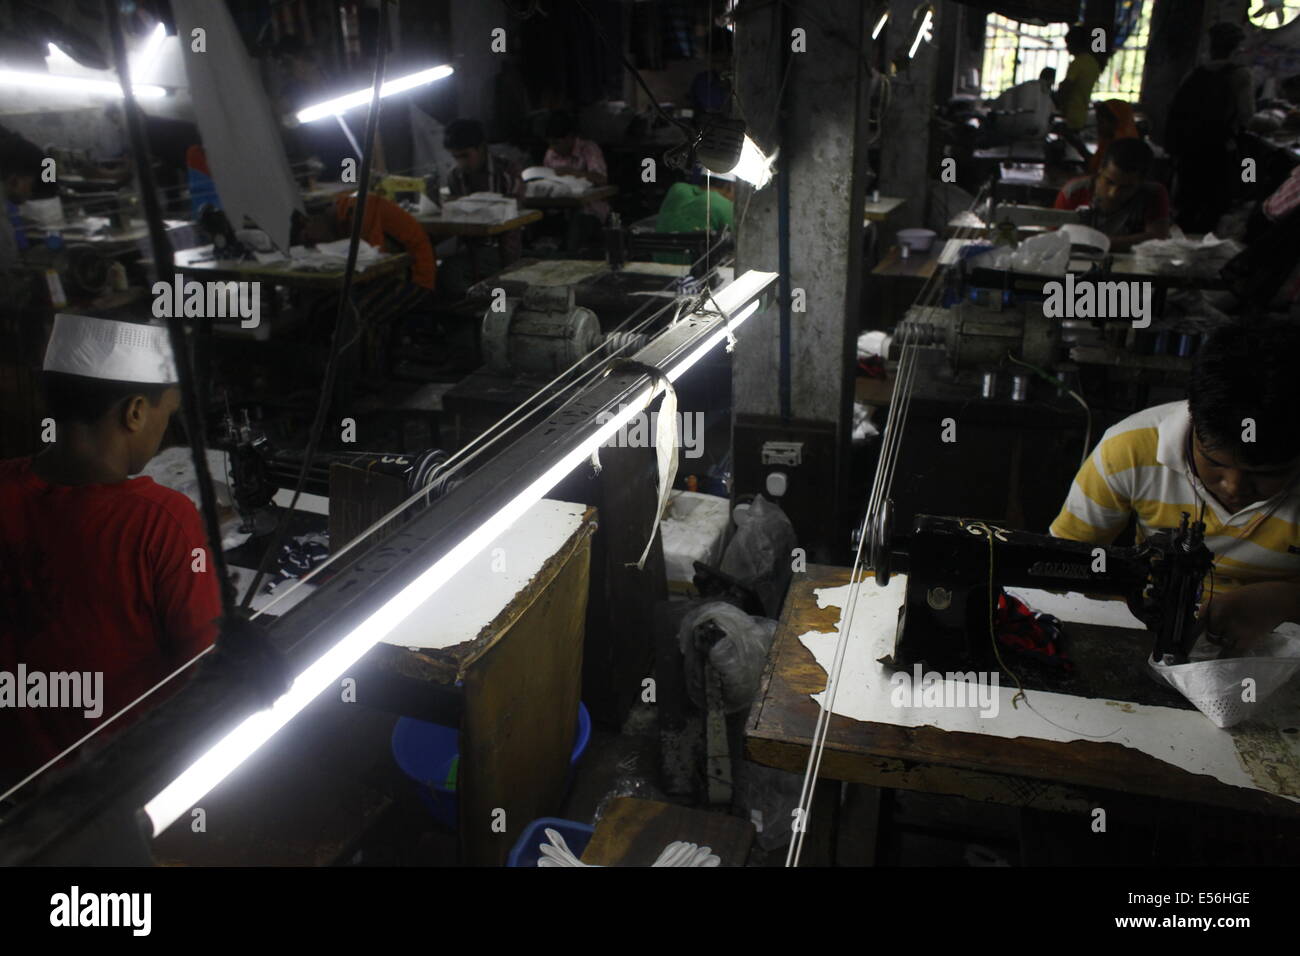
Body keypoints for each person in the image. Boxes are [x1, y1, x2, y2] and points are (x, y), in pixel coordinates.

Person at [0, 315, 222, 786]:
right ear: (136, 411)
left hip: (17, 785)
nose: (165, 430)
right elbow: (204, 672)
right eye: (168, 415)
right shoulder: (161, 519)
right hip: (118, 786)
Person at [1051, 320, 1300, 650]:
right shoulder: (1128, 450)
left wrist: (1284, 600)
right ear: (1193, 417)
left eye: (1265, 474)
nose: (1233, 486)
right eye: (1215, 463)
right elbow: (1065, 560)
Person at [1166, 23, 1255, 234]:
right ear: (1236, 47)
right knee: (1214, 203)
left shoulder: (1195, 73)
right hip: (1219, 150)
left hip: (1189, 149)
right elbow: (1246, 116)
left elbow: (1176, 111)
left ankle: (1182, 241)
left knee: (1187, 201)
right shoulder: (1240, 75)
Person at [1053, 137, 1170, 251]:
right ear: (1100, 169)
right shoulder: (1073, 192)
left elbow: (1157, 238)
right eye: (1109, 182)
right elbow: (1053, 239)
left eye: (1126, 187)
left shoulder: (1152, 194)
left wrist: (1096, 244)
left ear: (1142, 182)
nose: (1113, 193)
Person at [654, 170, 736, 264]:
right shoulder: (725, 206)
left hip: (659, 263)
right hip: (695, 271)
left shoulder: (676, 189)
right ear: (730, 186)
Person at [1056, 25, 1102, 137]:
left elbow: (1067, 86)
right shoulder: (1093, 62)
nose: (1067, 48)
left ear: (1075, 43)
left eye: (1068, 44)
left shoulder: (1077, 63)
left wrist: (1058, 98)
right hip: (1082, 113)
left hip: (1071, 113)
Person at [989, 67, 1057, 140]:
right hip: (1007, 125)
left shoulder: (1041, 91)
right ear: (1051, 79)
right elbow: (1028, 117)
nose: (1053, 84)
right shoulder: (1032, 88)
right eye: (1053, 80)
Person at [1086, 99, 1138, 174]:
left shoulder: (1125, 149)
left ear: (1117, 122)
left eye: (1102, 122)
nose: (1099, 126)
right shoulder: (1107, 141)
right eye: (1098, 121)